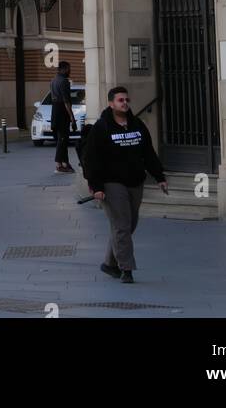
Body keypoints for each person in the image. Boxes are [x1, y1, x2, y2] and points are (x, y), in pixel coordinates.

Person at [85, 85, 167, 284]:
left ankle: (109, 263)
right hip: (111, 183)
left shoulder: (137, 125)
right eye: (120, 100)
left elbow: (148, 153)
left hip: (135, 181)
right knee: (122, 224)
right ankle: (127, 269)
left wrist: (159, 176)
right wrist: (96, 187)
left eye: (127, 100)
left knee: (129, 225)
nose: (125, 103)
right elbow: (91, 159)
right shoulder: (101, 127)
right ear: (111, 103)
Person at [50, 60, 76, 174]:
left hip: (55, 110)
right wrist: (72, 117)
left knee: (62, 139)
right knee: (62, 139)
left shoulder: (53, 80)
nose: (70, 71)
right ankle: (59, 164)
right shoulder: (64, 81)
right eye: (68, 68)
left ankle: (65, 163)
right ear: (63, 69)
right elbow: (66, 101)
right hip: (62, 111)